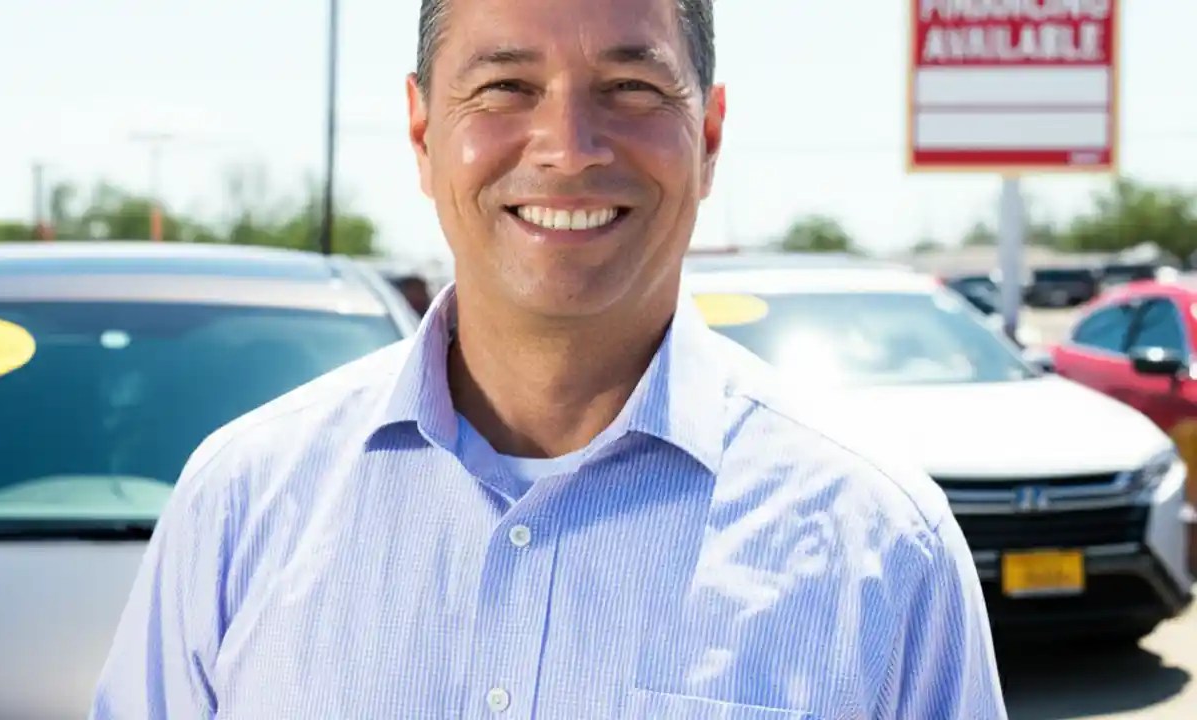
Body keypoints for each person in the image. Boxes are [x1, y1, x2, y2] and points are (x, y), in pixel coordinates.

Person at [90, 0, 1008, 717]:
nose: (569, 150)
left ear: (712, 134)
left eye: (631, 89)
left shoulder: (882, 542)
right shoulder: (244, 502)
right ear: (419, 130)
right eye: (504, 88)